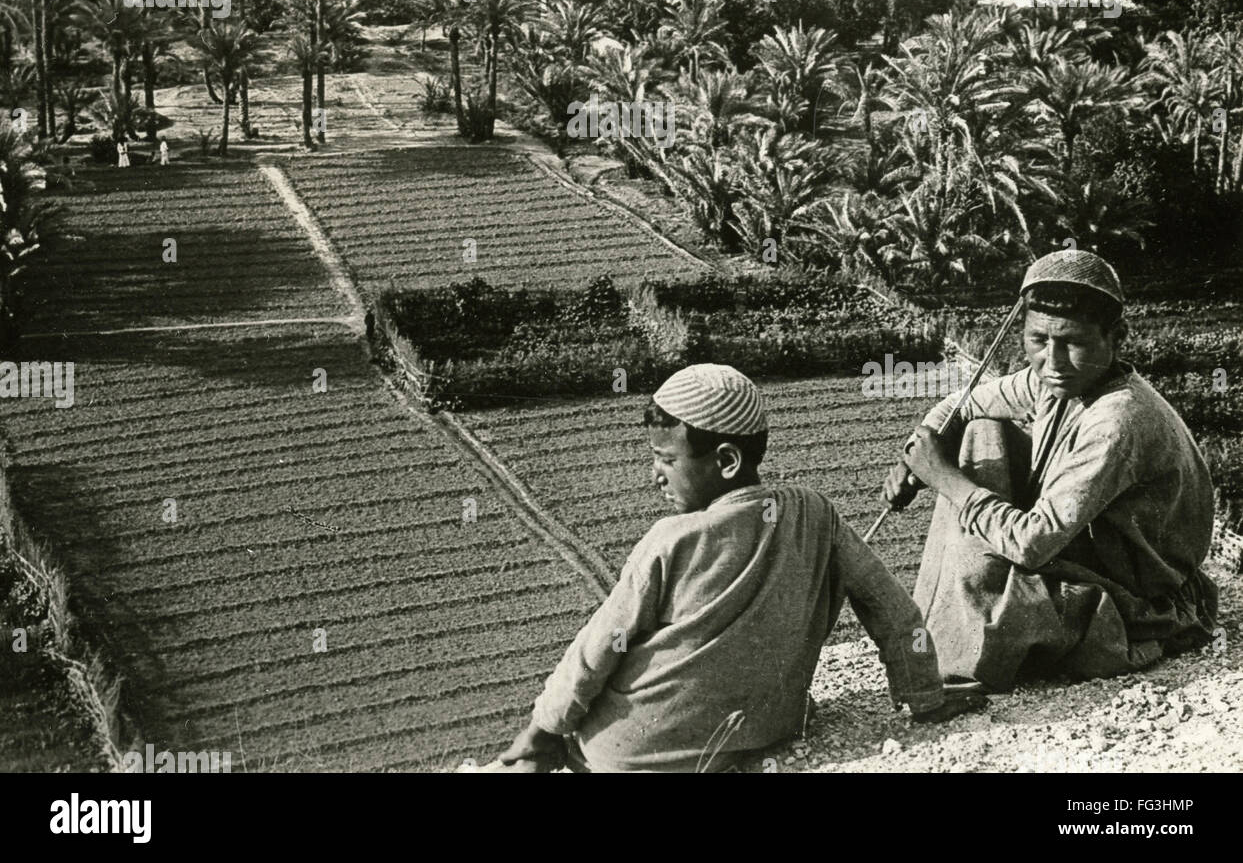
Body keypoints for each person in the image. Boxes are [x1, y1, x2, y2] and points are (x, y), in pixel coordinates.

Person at [496, 362, 983, 774]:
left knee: (579, 741)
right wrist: (926, 696)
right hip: (755, 734)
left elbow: (597, 647)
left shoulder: (671, 539)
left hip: (628, 755)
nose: (654, 475)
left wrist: (545, 729)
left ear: (727, 460)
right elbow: (892, 609)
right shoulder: (815, 513)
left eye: (666, 459)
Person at [885, 248, 1218, 692]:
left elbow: (1033, 542)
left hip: (1134, 587)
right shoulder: (1058, 380)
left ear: (1116, 337)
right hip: (1081, 546)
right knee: (979, 429)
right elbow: (962, 404)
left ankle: (959, 629)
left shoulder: (1118, 420)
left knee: (984, 619)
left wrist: (942, 476)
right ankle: (959, 613)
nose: (1053, 361)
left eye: (1074, 342)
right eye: (1038, 340)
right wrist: (920, 449)